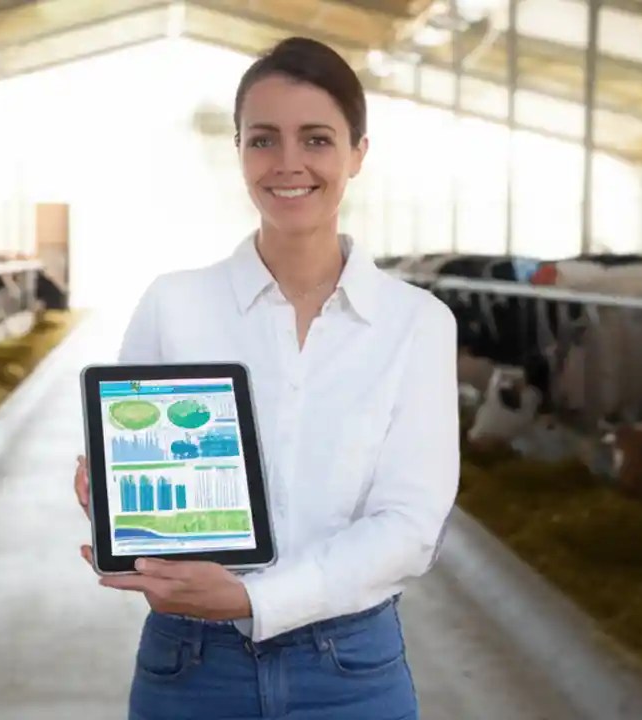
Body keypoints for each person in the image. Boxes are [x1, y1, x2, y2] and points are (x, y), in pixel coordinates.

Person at [73, 36, 460, 720]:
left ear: (357, 154)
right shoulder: (174, 304)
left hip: (350, 673)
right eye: (263, 140)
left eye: (316, 139)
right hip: (190, 665)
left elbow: (409, 524)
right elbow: (140, 492)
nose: (288, 165)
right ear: (240, 151)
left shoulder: (417, 323)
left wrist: (258, 600)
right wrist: (115, 504)